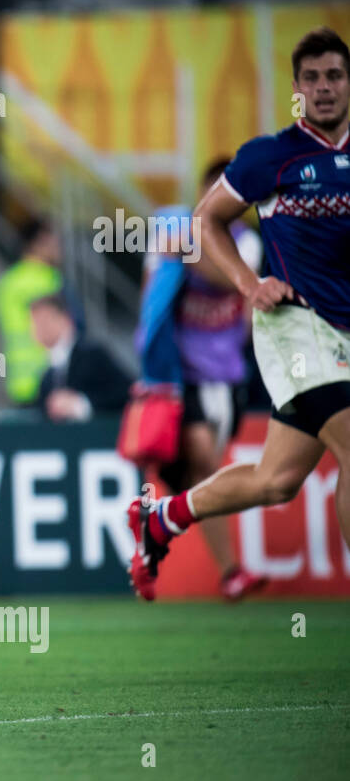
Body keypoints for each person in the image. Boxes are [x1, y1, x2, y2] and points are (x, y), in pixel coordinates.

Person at [128, 26, 350, 599]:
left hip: (343, 337)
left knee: (276, 481)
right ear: (296, 89)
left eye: (334, 75)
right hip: (297, 330)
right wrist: (250, 285)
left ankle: (164, 517)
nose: (323, 88)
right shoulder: (269, 157)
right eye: (311, 78)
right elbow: (204, 221)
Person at [131, 159, 265, 600]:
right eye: (216, 190)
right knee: (205, 462)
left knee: (204, 481)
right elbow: (154, 290)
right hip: (179, 377)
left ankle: (156, 534)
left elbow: (233, 280)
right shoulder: (170, 227)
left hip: (226, 375)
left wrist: (186, 250)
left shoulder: (246, 244)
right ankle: (230, 571)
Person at [0, 217, 64, 405]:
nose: (58, 248)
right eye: (54, 241)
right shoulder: (50, 280)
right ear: (39, 242)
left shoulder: (6, 282)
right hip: (50, 378)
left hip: (18, 380)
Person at [30, 293, 129, 421]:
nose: (38, 329)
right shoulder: (48, 374)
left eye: (44, 321)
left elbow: (125, 392)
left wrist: (82, 403)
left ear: (65, 319)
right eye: (35, 322)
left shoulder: (92, 355)